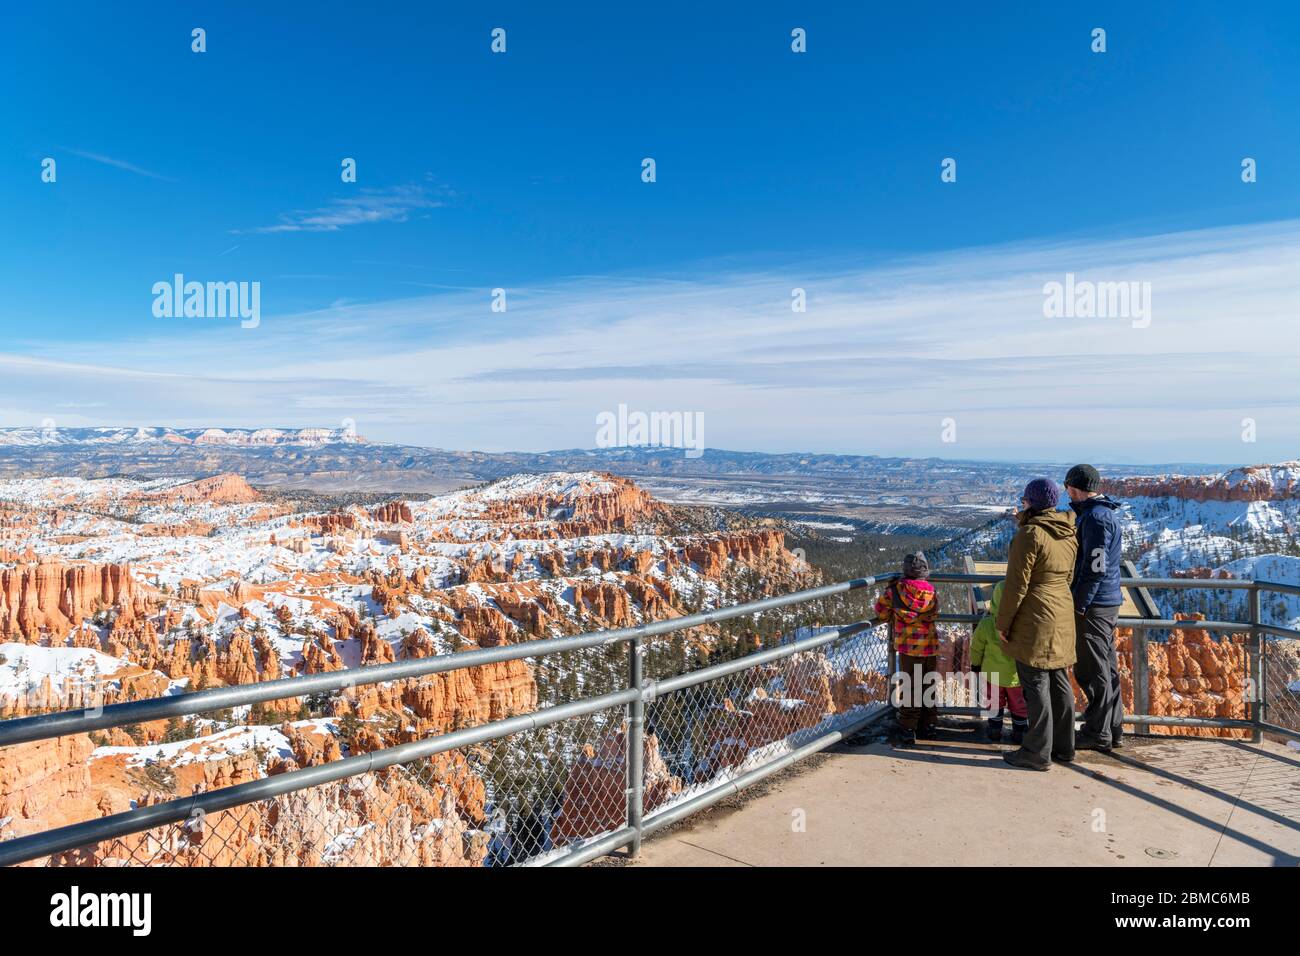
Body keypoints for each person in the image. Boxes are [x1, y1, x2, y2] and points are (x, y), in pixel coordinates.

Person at [996, 478, 1078, 771]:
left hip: (1036, 617)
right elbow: (1068, 577)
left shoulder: (1029, 534)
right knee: (1059, 679)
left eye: (1024, 499)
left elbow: (1016, 586)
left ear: (1031, 502)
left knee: (1035, 683)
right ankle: (1064, 747)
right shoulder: (1068, 531)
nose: (1022, 503)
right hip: (1062, 611)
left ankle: (1036, 752)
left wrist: (1002, 623)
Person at [1064, 463, 1126, 752]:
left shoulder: (1096, 519)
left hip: (1096, 604)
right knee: (1106, 667)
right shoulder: (1099, 514)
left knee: (1092, 669)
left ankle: (1097, 732)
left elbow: (1095, 567)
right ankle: (1112, 729)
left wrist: (1080, 605)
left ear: (1073, 489)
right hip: (1104, 601)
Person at [874, 552, 938, 746]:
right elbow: (935, 613)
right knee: (928, 684)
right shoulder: (931, 591)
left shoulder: (895, 591)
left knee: (910, 686)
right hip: (929, 646)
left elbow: (881, 612)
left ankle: (909, 728)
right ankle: (928, 725)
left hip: (909, 647)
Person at [969, 581, 1027, 743]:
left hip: (992, 674)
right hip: (1016, 675)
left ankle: (994, 730)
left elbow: (977, 647)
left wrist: (976, 664)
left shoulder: (987, 623)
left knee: (994, 702)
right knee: (1019, 704)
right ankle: (1020, 732)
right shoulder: (1023, 625)